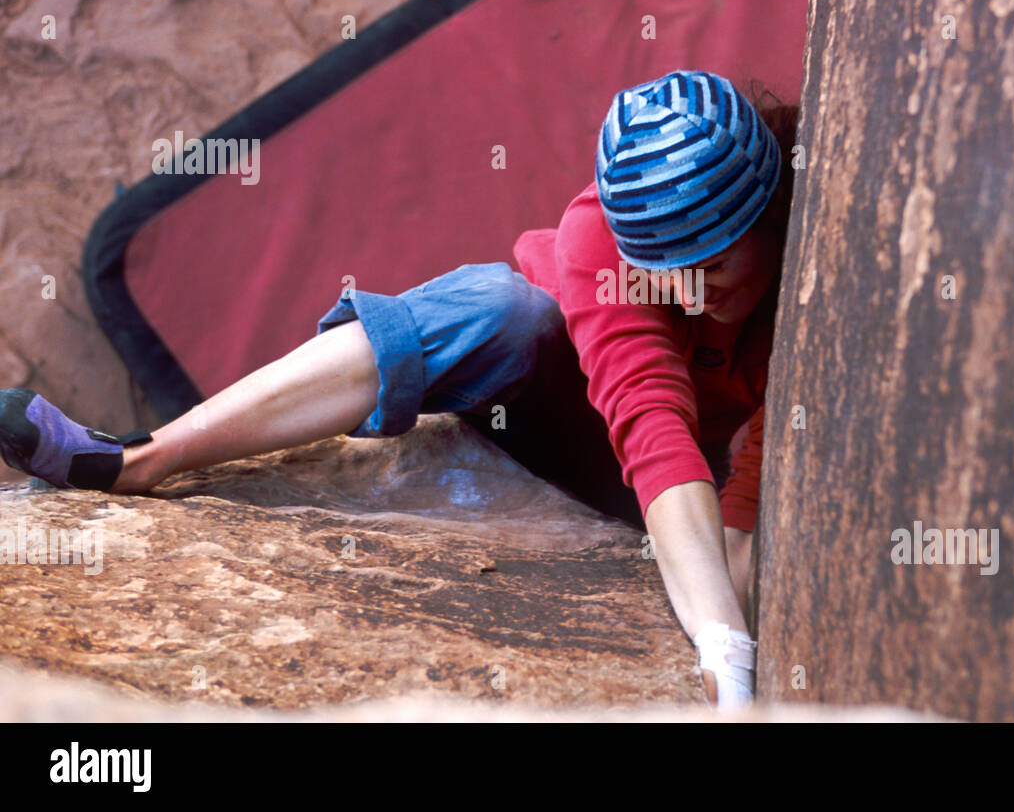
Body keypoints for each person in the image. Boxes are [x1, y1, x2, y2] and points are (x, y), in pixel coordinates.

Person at [0, 68, 798, 710]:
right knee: (501, 308)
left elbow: (754, 489)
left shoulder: (806, 263)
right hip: (561, 415)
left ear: (765, 214)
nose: (692, 297)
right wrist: (726, 640)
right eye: (664, 276)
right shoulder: (602, 238)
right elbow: (646, 413)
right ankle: (142, 456)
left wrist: (727, 653)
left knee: (741, 581)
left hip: (696, 479)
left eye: (715, 265)